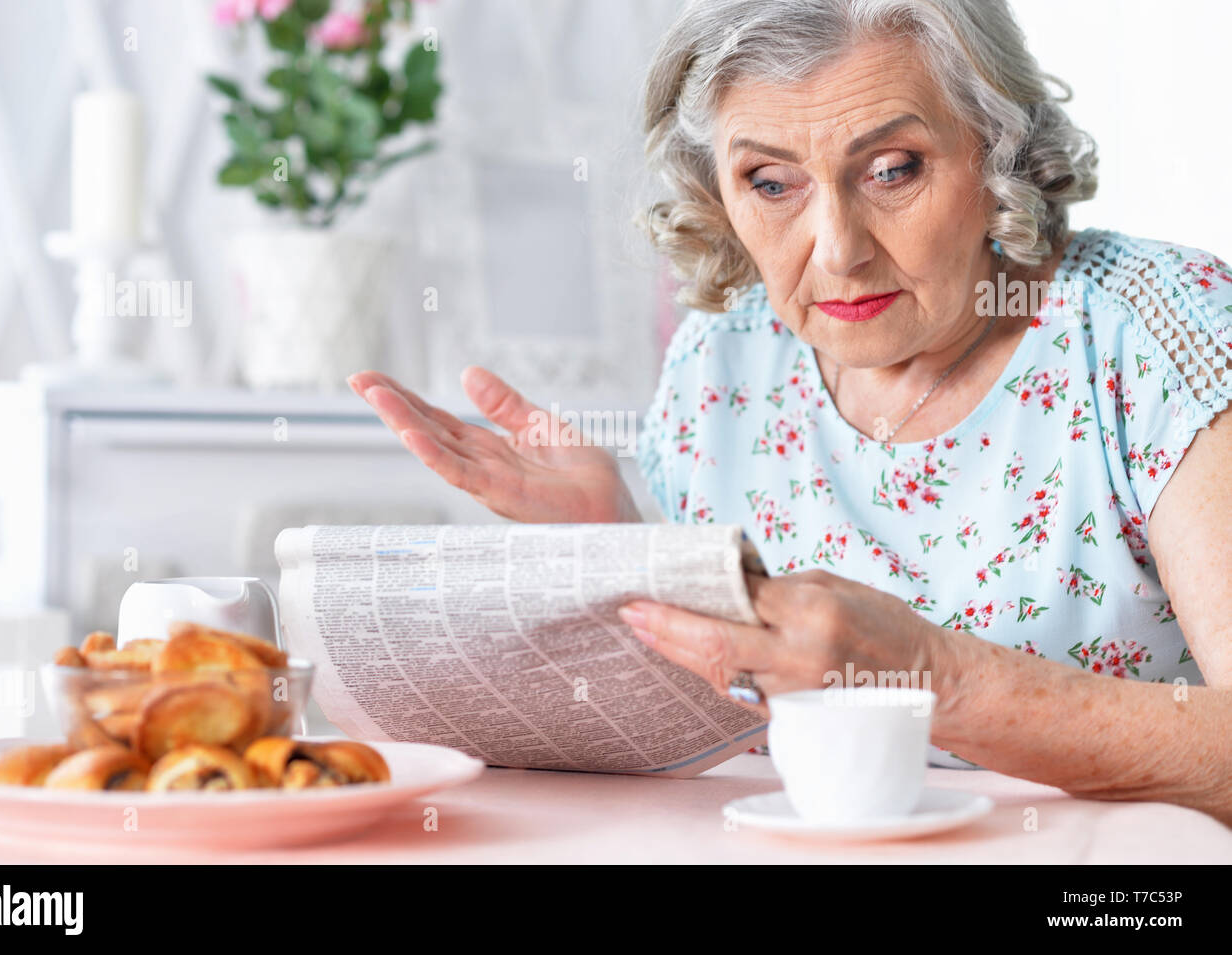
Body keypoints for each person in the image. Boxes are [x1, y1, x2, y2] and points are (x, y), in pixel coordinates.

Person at [349, 0, 1232, 823]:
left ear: (996, 151)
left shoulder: (1156, 332)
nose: (839, 251)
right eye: (772, 183)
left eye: (893, 170)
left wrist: (934, 676)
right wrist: (614, 540)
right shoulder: (724, 358)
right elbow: (727, 722)